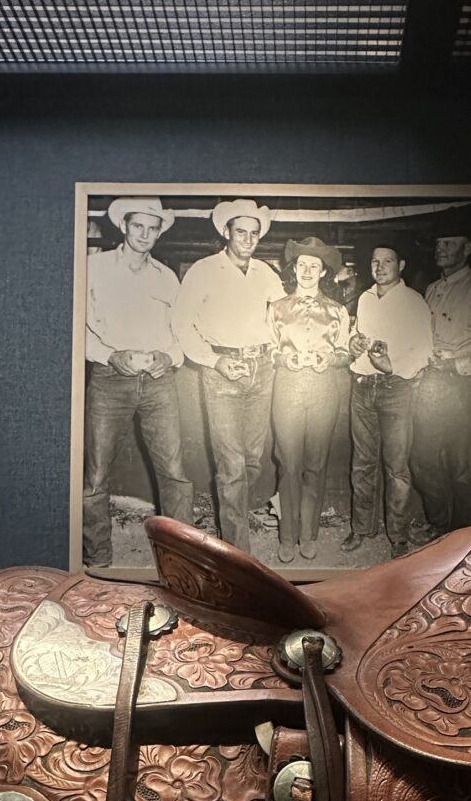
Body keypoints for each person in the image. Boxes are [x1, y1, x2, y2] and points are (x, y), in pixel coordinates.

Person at [83, 196, 193, 567]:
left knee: (175, 473)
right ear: (124, 226)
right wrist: (110, 356)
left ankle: (183, 560)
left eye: (153, 228)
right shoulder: (92, 268)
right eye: (138, 226)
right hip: (110, 378)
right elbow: (73, 328)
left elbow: (181, 335)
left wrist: (170, 357)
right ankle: (97, 559)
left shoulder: (166, 276)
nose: (145, 234)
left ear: (160, 231)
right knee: (96, 475)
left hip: (159, 382)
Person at [172, 199, 284, 553]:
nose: (248, 239)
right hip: (221, 371)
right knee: (232, 464)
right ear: (226, 232)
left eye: (254, 233)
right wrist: (213, 361)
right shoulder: (204, 271)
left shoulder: (266, 273)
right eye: (241, 232)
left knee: (253, 456)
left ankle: (235, 510)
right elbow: (182, 322)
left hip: (262, 369)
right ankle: (238, 549)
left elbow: (284, 318)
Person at [411, 214, 471, 535]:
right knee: (423, 459)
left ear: (467, 249)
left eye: (449, 243)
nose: (441, 249)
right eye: (439, 244)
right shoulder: (432, 288)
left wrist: (457, 364)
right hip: (434, 384)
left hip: (468, 387)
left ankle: (460, 537)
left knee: (463, 468)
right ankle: (440, 524)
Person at [341, 235, 433, 559]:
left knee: (396, 467)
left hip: (396, 390)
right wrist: (351, 344)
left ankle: (398, 534)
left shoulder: (414, 301)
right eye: (375, 262)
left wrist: (392, 366)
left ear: (401, 265)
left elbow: (424, 351)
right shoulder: (365, 298)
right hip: (363, 385)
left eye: (388, 261)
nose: (380, 267)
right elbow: (355, 337)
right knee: (362, 463)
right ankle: (361, 528)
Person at [267, 236, 351, 563]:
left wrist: (328, 360)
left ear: (323, 271)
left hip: (323, 389)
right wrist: (286, 360)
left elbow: (344, 351)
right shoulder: (277, 308)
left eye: (313, 266)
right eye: (302, 264)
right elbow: (270, 348)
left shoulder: (337, 310)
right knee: (288, 465)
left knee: (316, 465)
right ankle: (287, 536)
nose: (307, 271)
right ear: (294, 268)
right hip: (287, 387)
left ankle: (309, 534)